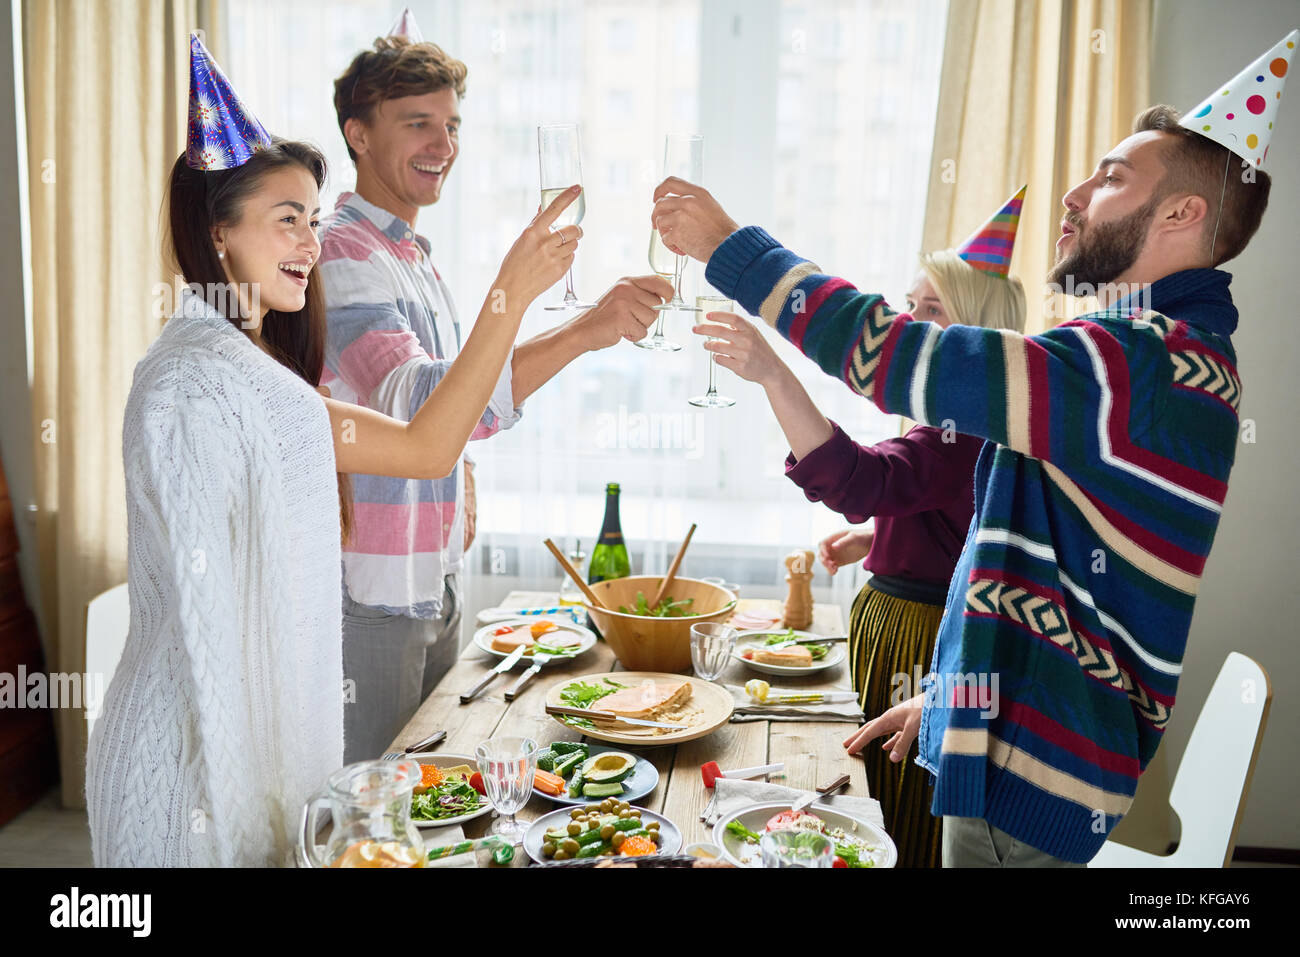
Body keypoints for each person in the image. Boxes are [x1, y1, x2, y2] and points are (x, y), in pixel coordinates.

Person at [653, 68, 1281, 864]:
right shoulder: (1165, 359)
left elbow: (897, 355)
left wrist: (729, 250)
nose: (1076, 192)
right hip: (1038, 744)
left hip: (1034, 775)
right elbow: (1051, 580)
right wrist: (957, 693)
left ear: (1184, 212)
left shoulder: (1136, 365)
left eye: (1113, 177)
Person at [86, 36, 580, 867]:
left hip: (238, 740)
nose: (311, 244)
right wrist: (512, 291)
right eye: (287, 220)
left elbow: (430, 448)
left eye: (312, 220)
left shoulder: (260, 379)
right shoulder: (190, 384)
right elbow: (421, 439)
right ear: (218, 234)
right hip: (187, 761)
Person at [322, 26, 674, 761]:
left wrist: (590, 327)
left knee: (427, 797)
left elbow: (458, 416)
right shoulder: (342, 251)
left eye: (451, 125)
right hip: (372, 592)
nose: (443, 144)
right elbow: (418, 406)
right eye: (418, 122)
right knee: (376, 809)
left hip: (430, 576)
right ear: (357, 134)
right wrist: (512, 293)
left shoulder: (412, 258)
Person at [696, 191, 1027, 867]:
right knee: (875, 785)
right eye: (910, 304)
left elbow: (862, 481)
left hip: (919, 644)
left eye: (930, 310)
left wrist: (772, 375)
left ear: (976, 330)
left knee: (893, 805)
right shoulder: (958, 424)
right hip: (902, 627)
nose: (910, 322)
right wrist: (878, 541)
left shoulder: (961, 430)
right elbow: (949, 528)